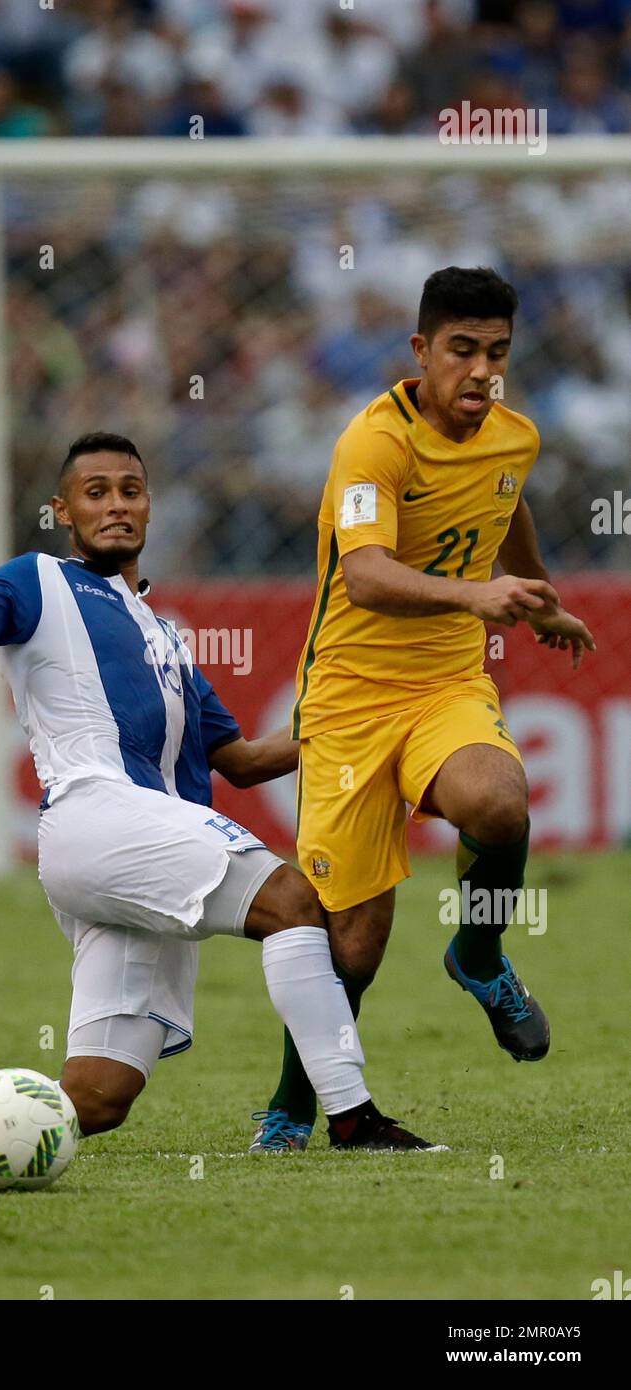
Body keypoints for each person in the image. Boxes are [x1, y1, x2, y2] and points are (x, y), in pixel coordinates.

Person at [0, 432, 447, 1166]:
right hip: (98, 819)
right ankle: (353, 1118)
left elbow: (248, 762)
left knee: (96, 1100)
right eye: (95, 492)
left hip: (130, 856)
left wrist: (367, 726)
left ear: (150, 507)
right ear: (62, 510)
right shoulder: (38, 580)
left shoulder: (166, 639)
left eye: (130, 489)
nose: (116, 504)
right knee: (291, 901)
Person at [251, 267, 595, 1154]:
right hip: (351, 702)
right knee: (351, 944)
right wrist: (473, 599)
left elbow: (505, 511)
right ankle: (294, 1107)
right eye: (462, 351)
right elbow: (364, 576)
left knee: (500, 802)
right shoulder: (373, 444)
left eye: (497, 354)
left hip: (446, 687)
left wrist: (542, 600)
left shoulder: (514, 438)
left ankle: (478, 958)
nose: (480, 372)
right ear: (421, 351)